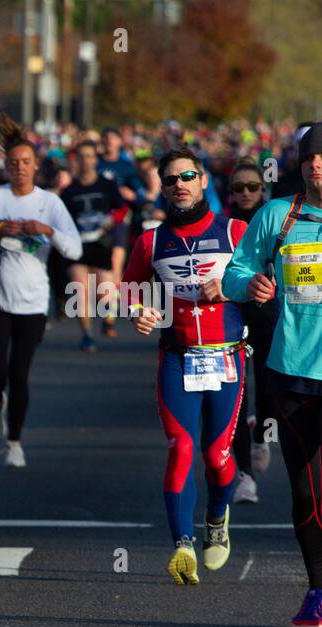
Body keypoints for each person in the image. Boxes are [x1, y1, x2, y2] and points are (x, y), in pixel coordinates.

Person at [122, 147, 248, 586]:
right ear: (162, 185)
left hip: (227, 357)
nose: (179, 184)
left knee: (217, 456)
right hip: (177, 358)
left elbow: (267, 285)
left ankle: (217, 515)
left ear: (204, 181)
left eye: (187, 176)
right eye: (170, 178)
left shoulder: (235, 231)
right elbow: (129, 291)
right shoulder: (150, 240)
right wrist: (138, 309)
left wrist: (232, 288)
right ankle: (182, 545)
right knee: (181, 446)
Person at [223, 124, 322, 627]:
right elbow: (233, 273)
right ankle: (317, 590)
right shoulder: (277, 216)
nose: (316, 166)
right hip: (292, 371)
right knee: (306, 490)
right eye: (308, 159)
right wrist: (253, 283)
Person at [0, 120, 81, 468]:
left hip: (33, 301)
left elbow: (75, 250)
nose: (20, 168)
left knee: (18, 373)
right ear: (5, 166)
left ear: (36, 165)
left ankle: (15, 443)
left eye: (26, 162)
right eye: (13, 162)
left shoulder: (48, 202)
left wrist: (46, 230)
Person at [225, 160, 277, 503]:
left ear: (263, 189)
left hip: (267, 314)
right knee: (237, 395)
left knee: (268, 388)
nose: (245, 193)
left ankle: (261, 434)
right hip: (229, 316)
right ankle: (245, 474)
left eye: (252, 187)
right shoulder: (221, 225)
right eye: (238, 188)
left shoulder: (275, 220)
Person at [61, 140, 131, 350]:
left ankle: (107, 318)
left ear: (95, 159)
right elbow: (62, 218)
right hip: (78, 245)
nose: (86, 160)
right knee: (80, 290)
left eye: (90, 156)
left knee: (104, 292)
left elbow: (122, 209)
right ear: (76, 159)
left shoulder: (106, 185)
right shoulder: (70, 190)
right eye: (82, 156)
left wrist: (110, 221)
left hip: (101, 243)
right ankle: (87, 334)